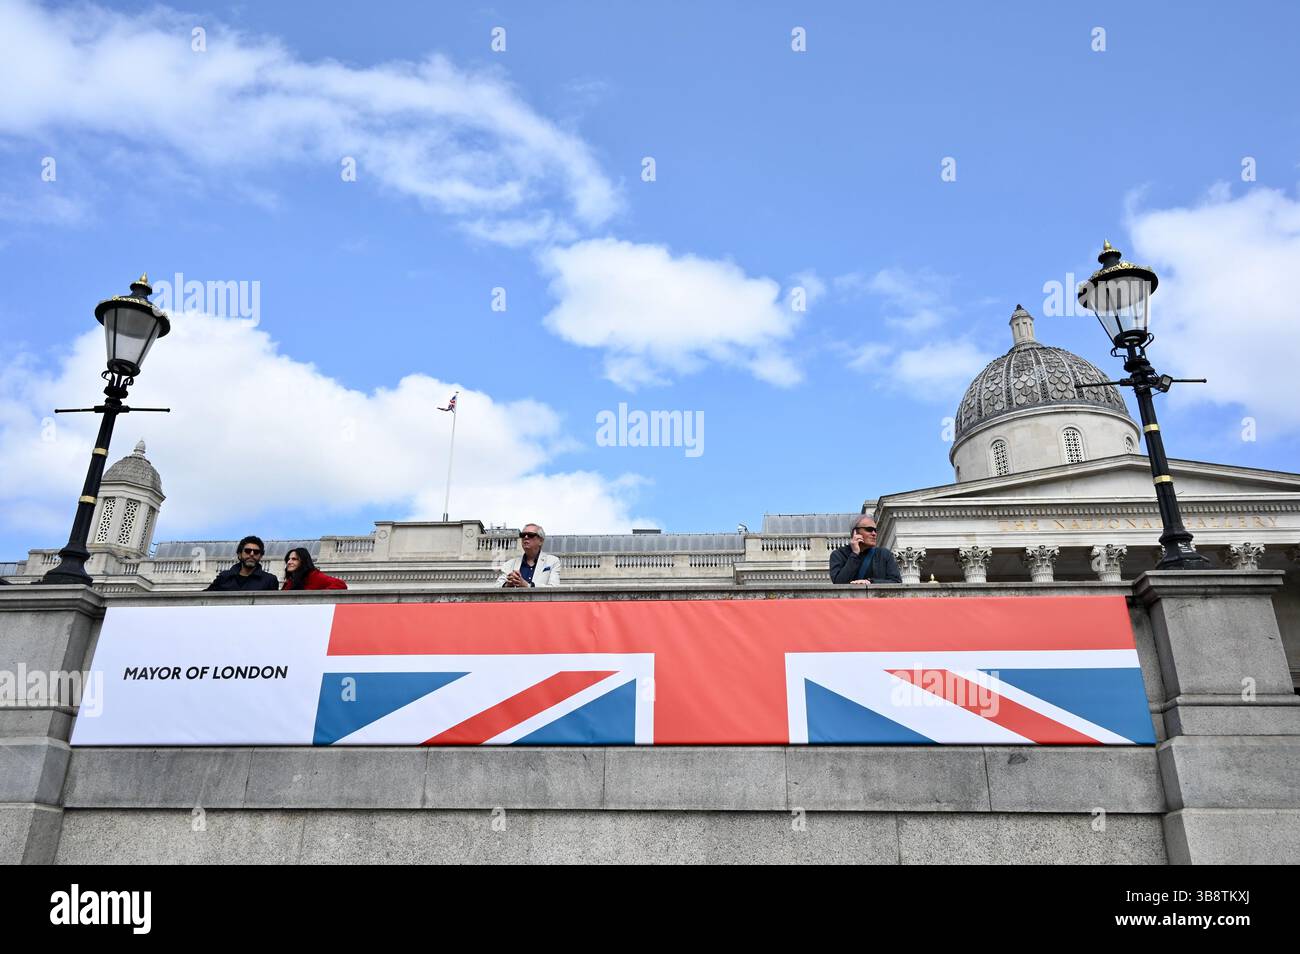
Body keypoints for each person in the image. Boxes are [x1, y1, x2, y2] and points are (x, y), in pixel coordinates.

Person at [828, 516, 902, 584]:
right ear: (855, 532)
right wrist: (855, 554)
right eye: (869, 529)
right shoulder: (838, 555)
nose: (874, 534)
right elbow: (839, 583)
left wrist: (870, 582)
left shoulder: (884, 554)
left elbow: (896, 582)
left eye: (875, 530)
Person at [205, 535, 280, 591]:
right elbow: (204, 597)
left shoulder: (270, 580)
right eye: (247, 551)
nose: (251, 554)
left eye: (256, 552)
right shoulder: (224, 577)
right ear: (239, 554)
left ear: (260, 556)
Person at [496, 523, 562, 587]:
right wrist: (508, 584)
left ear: (541, 541)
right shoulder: (509, 564)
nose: (526, 537)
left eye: (530, 535)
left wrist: (527, 585)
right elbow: (497, 586)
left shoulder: (553, 561)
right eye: (523, 535)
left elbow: (554, 587)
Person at [281, 547, 348, 590]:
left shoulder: (314, 576)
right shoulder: (290, 581)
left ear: (303, 561)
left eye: (294, 559)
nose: (289, 562)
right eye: (288, 559)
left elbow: (340, 584)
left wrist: (317, 596)